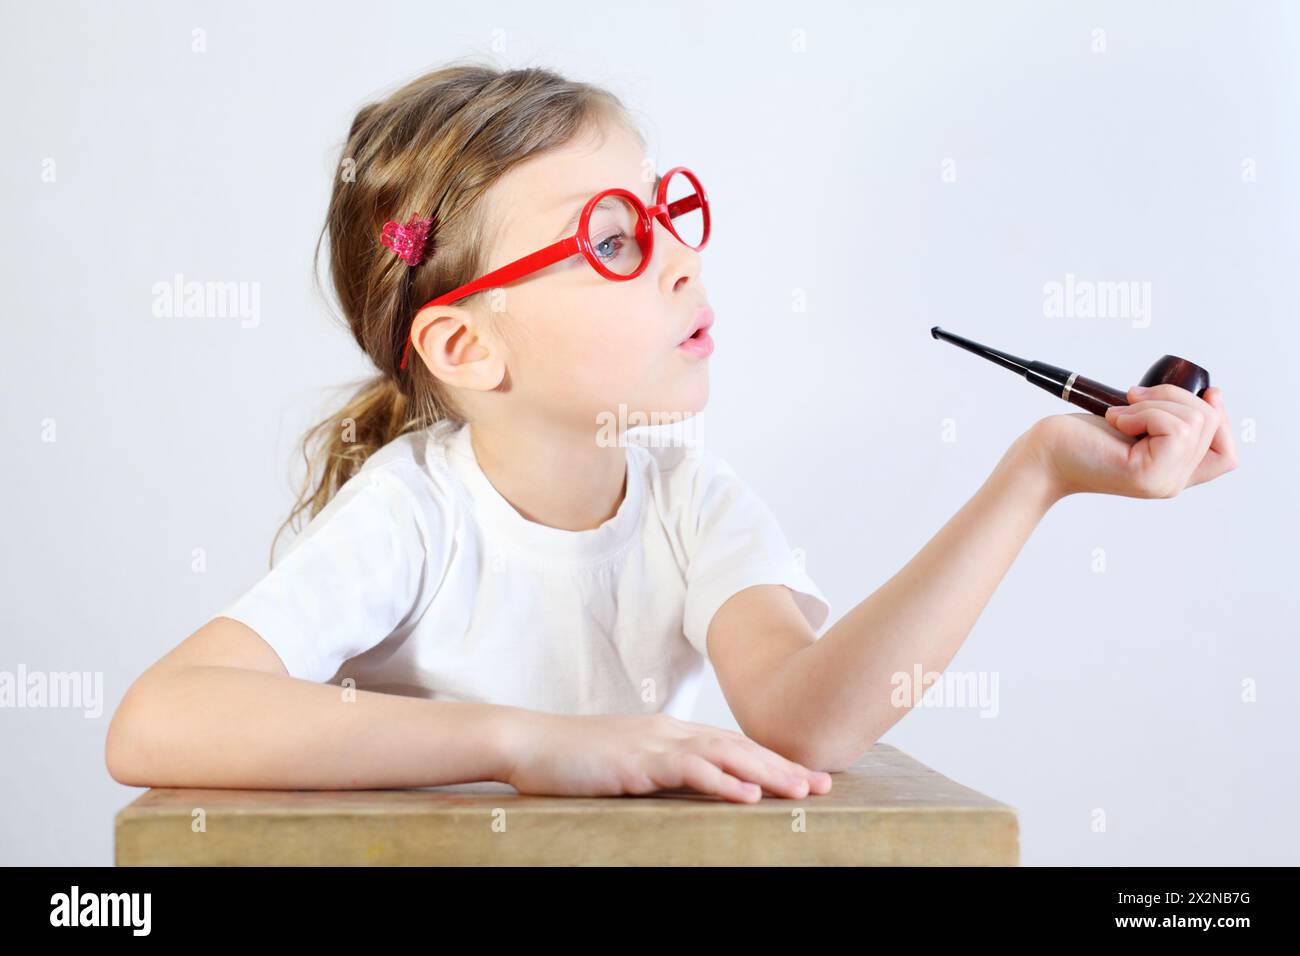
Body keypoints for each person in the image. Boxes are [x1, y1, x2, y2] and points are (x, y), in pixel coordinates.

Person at [105, 63, 1237, 803]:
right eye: (611, 237)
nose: (682, 257)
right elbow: (158, 721)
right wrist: (525, 742)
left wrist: (1033, 474)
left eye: (662, 213)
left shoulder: (693, 499)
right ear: (465, 349)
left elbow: (810, 722)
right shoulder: (414, 511)